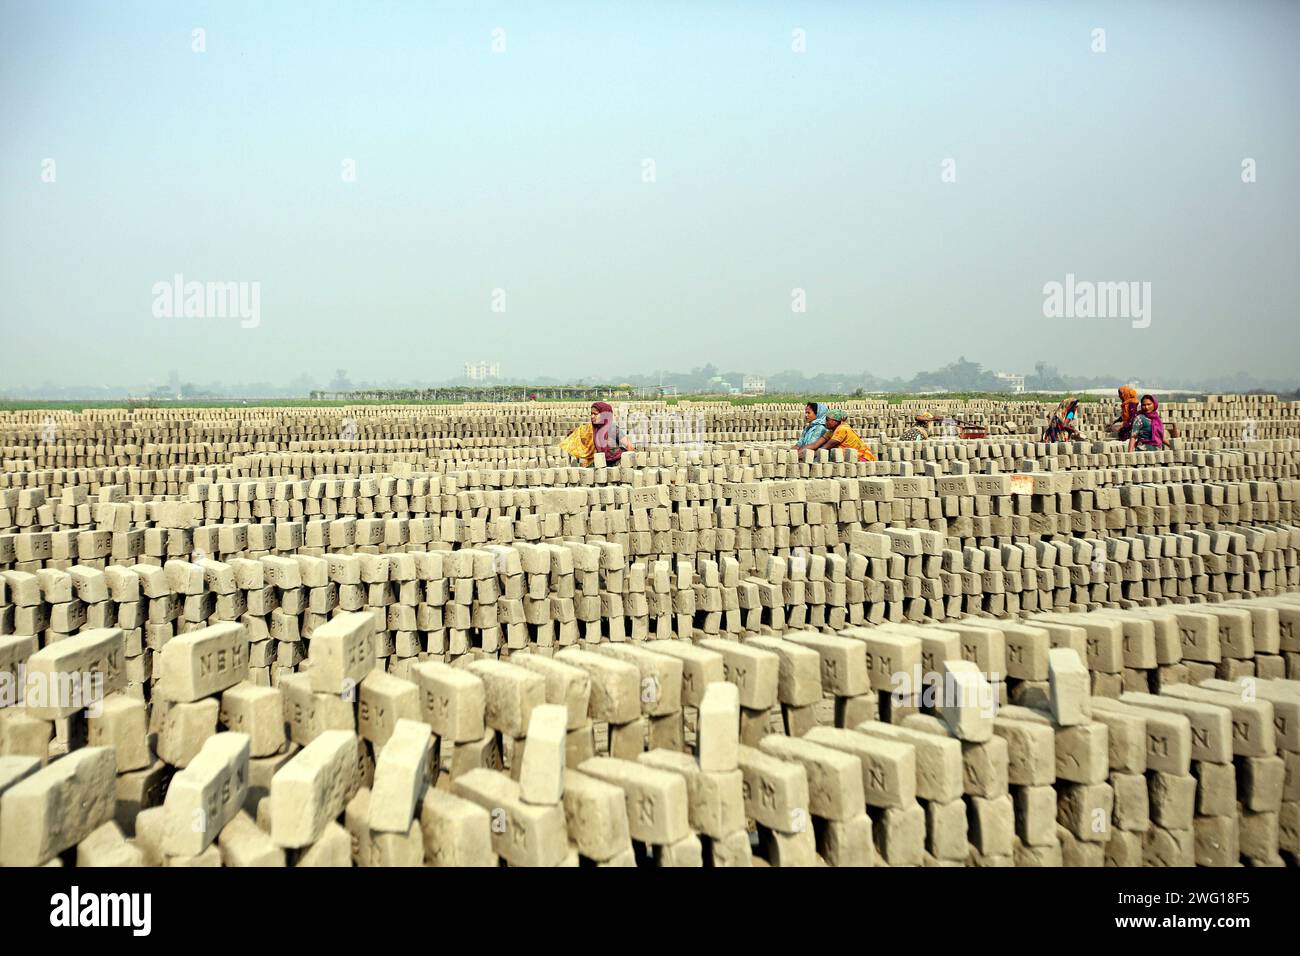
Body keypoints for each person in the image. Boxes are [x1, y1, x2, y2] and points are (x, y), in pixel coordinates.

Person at [559, 401, 634, 465]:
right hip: (602, 463)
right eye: (591, 414)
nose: (592, 416)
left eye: (595, 414)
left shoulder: (612, 428)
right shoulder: (592, 429)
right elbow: (580, 431)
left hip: (618, 462)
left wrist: (628, 465)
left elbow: (630, 446)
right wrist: (574, 433)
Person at [802, 408, 876, 461]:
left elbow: (825, 448)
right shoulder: (831, 431)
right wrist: (799, 452)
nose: (825, 422)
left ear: (836, 421)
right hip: (849, 458)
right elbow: (815, 445)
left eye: (828, 420)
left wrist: (807, 457)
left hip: (862, 458)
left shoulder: (842, 429)